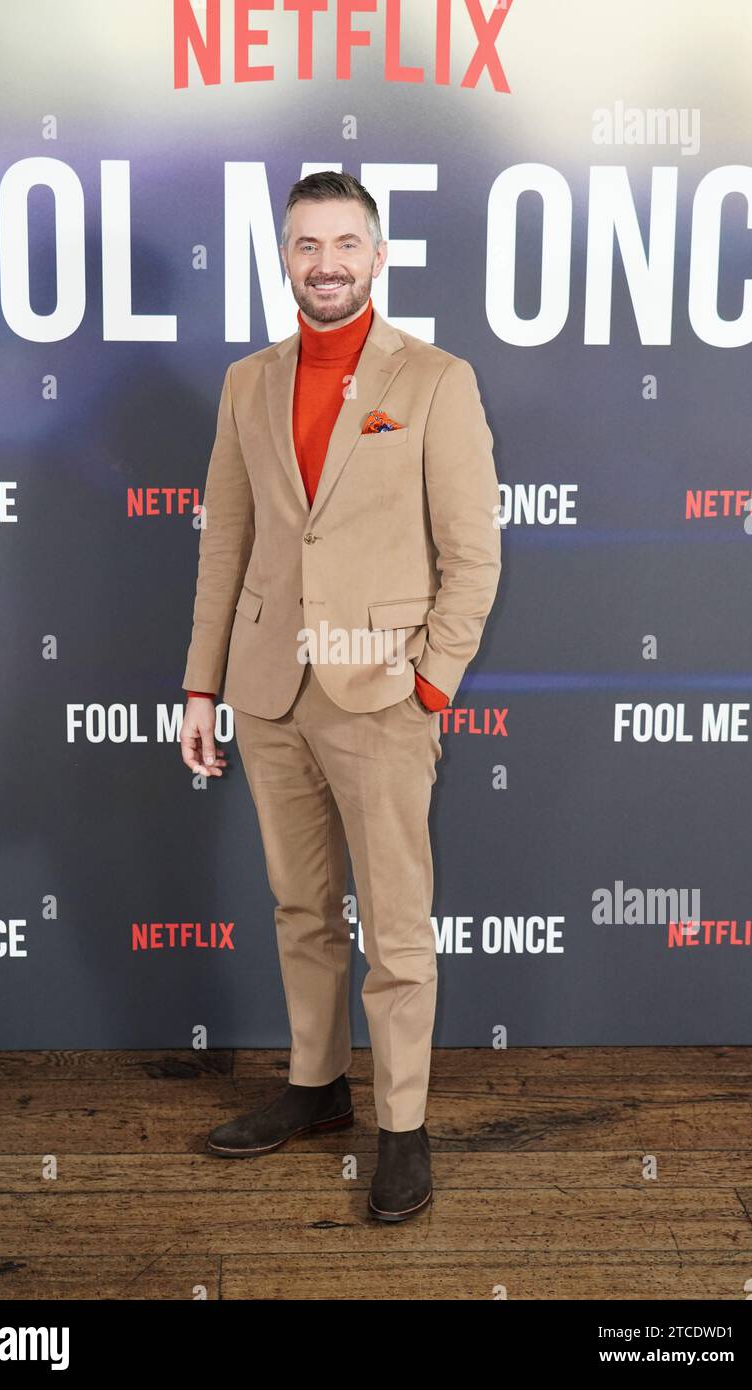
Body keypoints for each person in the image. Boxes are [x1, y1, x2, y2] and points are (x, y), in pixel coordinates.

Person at [180, 171, 501, 1221]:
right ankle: (315, 1086)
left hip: (381, 695)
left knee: (396, 927)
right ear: (284, 257)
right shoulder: (246, 383)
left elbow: (474, 555)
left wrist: (428, 683)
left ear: (376, 255)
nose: (325, 262)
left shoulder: (436, 380)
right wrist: (201, 682)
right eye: (305, 244)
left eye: (344, 243)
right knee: (299, 908)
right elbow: (226, 541)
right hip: (270, 690)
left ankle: (400, 1125)